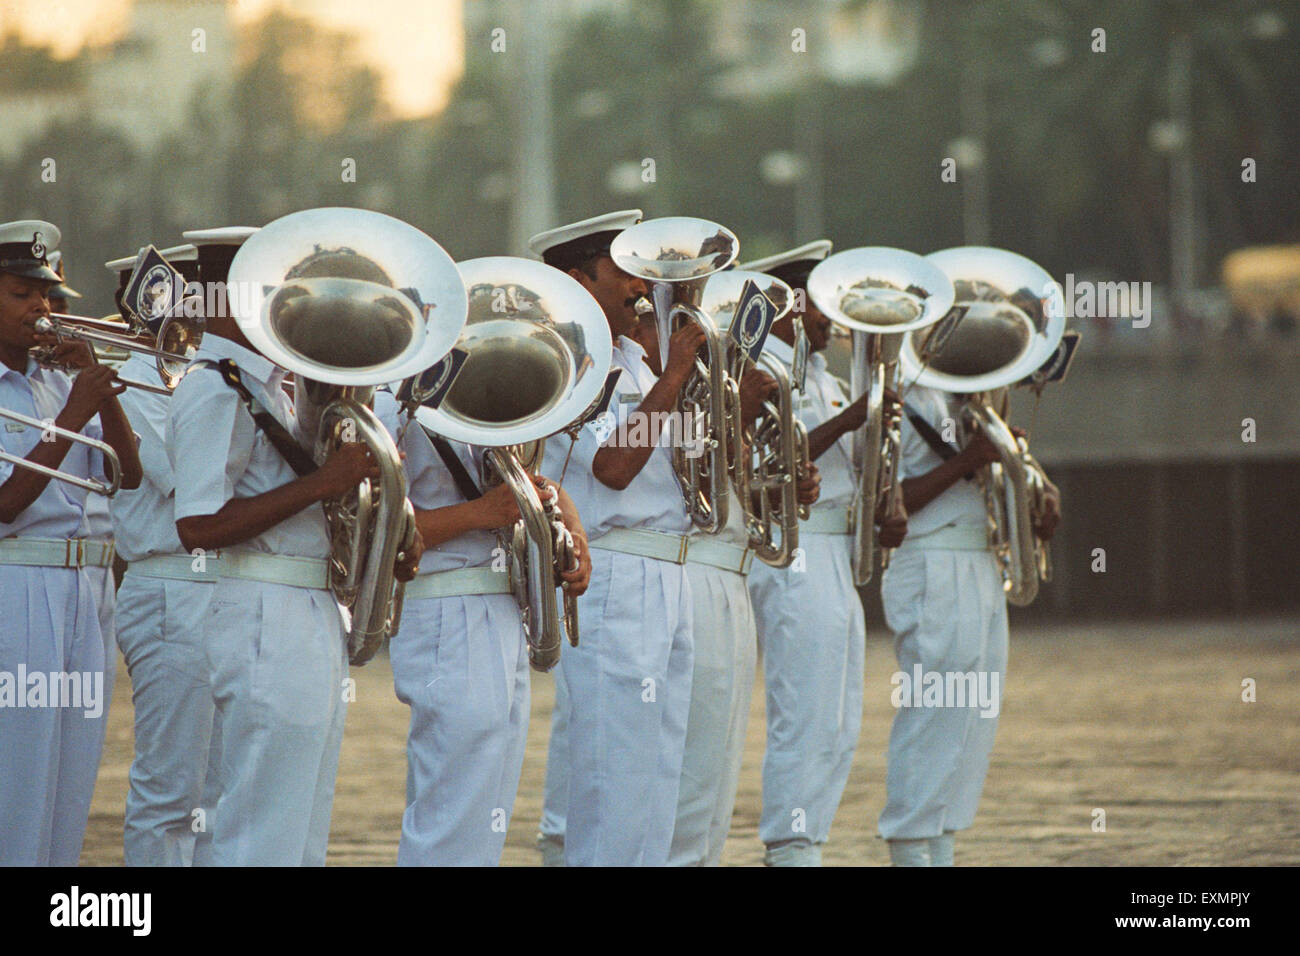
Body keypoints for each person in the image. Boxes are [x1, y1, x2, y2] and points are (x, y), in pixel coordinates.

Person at [166, 227, 421, 866]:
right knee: (261, 826)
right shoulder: (213, 386)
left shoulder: (271, 388)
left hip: (304, 607)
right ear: (229, 295)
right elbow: (197, 526)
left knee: (301, 823)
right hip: (263, 606)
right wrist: (326, 483)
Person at [531, 209, 704, 866]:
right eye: (623, 272)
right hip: (615, 573)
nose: (639, 286)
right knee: (616, 776)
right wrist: (676, 374)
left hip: (666, 572)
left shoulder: (631, 359)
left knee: (659, 771)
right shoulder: (574, 361)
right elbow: (613, 467)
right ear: (579, 278)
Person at [632, 302, 823, 866]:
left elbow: (722, 493)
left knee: (716, 770)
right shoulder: (653, 391)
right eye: (656, 319)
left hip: (731, 575)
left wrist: (782, 487)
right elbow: (682, 482)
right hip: (693, 576)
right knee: (684, 770)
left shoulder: (691, 391)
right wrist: (736, 413)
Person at [373, 389, 591, 866]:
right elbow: (374, 529)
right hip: (447, 606)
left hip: (500, 607)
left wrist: (566, 517)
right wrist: (482, 514)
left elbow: (529, 486)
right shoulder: (394, 405)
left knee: (485, 804)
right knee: (452, 807)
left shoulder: (485, 398)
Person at [742, 240, 908, 866]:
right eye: (821, 303)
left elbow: (849, 467)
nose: (832, 319)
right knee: (804, 711)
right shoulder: (760, 371)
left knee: (839, 721)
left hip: (835, 547)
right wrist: (854, 418)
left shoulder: (826, 377)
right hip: (794, 547)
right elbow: (765, 456)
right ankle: (790, 848)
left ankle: (806, 844)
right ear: (790, 304)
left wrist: (885, 502)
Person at [0, 219, 143, 865]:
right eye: (20, 293)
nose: (42, 308)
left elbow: (128, 474)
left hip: (84, 590)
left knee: (71, 769)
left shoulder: (56, 378)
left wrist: (95, 388)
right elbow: (4, 505)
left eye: (46, 293)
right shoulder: (50, 398)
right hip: (19, 580)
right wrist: (72, 415)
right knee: (21, 769)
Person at [878, 384, 1059, 865]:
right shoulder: (904, 397)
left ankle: (940, 854)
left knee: (969, 731)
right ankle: (910, 848)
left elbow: (992, 491)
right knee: (931, 720)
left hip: (979, 563)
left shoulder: (971, 404)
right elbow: (885, 500)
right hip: (931, 562)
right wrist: (967, 460)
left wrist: (1033, 493)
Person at [108, 237, 222, 866]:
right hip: (169, 586)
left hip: (214, 586)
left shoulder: (203, 375)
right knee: (171, 793)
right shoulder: (132, 377)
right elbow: (189, 477)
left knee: (216, 793)